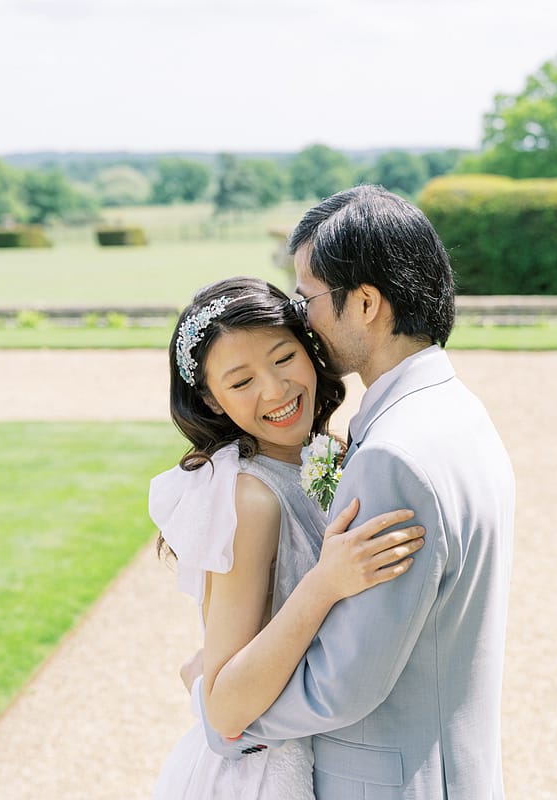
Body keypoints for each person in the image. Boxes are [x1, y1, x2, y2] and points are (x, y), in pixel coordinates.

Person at [197, 186, 516, 799]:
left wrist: (221, 712)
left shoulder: (393, 454)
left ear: (365, 302)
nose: (300, 315)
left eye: (307, 296)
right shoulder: (458, 411)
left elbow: (343, 684)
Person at [149, 276, 426, 799]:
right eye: (241, 381)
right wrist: (325, 583)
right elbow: (226, 707)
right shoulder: (250, 498)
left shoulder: (329, 452)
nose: (275, 391)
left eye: (283, 358)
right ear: (210, 400)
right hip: (260, 777)